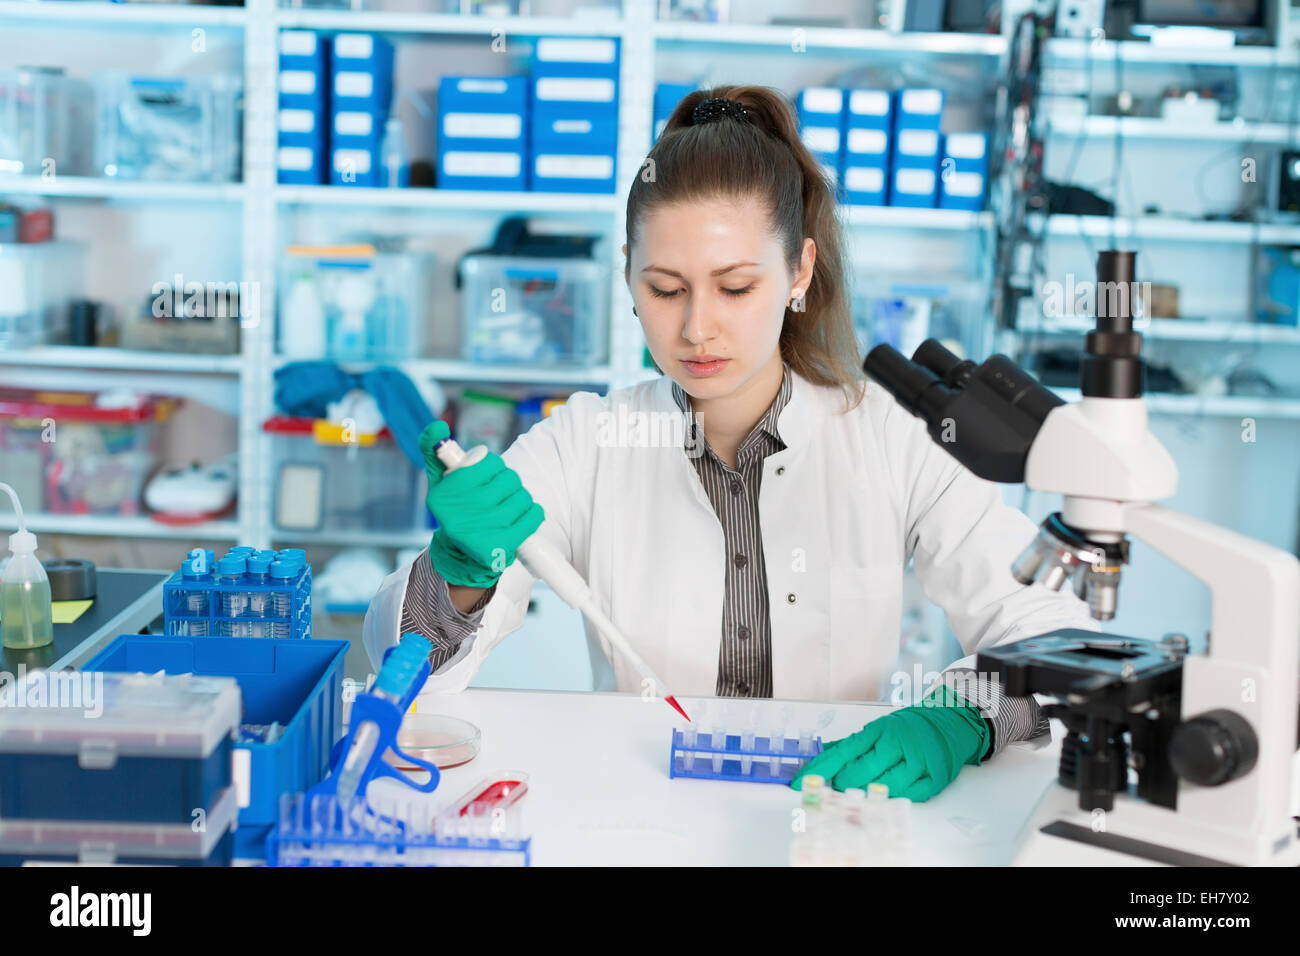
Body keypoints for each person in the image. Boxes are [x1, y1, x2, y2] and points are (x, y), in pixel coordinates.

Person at [364, 86, 1096, 801]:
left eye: (736, 287)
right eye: (665, 288)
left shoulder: (893, 436)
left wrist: (959, 718)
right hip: (644, 817)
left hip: (839, 810)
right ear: (628, 276)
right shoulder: (584, 441)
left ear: (799, 273)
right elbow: (400, 670)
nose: (696, 329)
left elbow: (1053, 636)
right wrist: (461, 573)